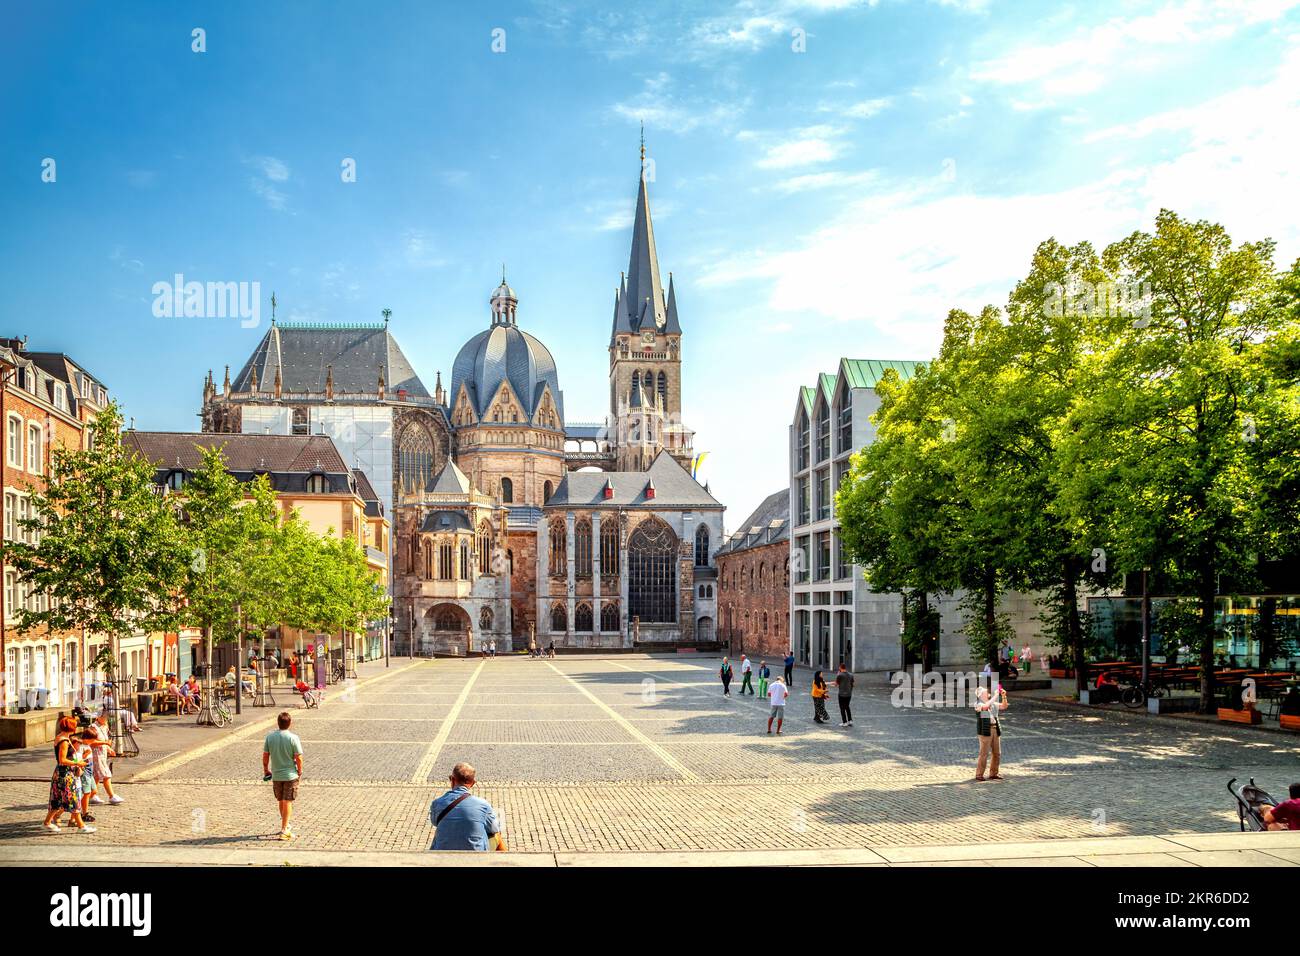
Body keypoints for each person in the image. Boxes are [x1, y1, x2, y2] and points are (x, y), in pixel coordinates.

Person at [430, 762, 505, 851]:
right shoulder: (483, 805)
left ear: (452, 779)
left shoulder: (437, 803)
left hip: (442, 854)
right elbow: (494, 828)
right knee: (497, 835)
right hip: (475, 856)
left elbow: (435, 822)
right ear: (473, 783)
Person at [43, 717, 95, 833]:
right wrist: (78, 763)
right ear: (70, 727)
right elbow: (62, 760)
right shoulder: (64, 741)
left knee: (57, 800)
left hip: (61, 773)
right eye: (75, 725)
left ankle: (47, 822)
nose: (76, 727)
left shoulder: (63, 737)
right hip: (66, 773)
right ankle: (81, 827)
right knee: (74, 798)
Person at [262, 711, 304, 840]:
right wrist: (300, 771)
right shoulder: (293, 738)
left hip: (277, 774)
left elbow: (265, 755)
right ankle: (285, 829)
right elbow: (299, 757)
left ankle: (285, 825)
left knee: (281, 800)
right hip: (290, 775)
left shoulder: (270, 737)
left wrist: (266, 770)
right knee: (288, 801)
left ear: (278, 723)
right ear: (290, 723)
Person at [974, 684, 1009, 781]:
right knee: (984, 753)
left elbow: (1004, 706)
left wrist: (1004, 696)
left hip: (995, 729)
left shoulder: (992, 703)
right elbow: (985, 707)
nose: (988, 694)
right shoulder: (978, 704)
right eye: (986, 693)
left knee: (997, 753)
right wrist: (995, 696)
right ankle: (979, 774)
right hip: (985, 731)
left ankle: (994, 773)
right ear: (980, 695)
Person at [88, 713, 123, 805]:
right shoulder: (93, 727)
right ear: (97, 717)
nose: (106, 718)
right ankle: (112, 796)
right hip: (95, 755)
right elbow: (91, 742)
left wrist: (109, 749)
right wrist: (105, 743)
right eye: (103, 716)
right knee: (106, 774)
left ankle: (92, 795)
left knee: (96, 776)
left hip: (102, 754)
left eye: (106, 716)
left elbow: (104, 742)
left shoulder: (104, 726)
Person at [834, 662, 855, 727]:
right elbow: (853, 684)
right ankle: (850, 720)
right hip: (849, 694)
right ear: (845, 667)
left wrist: (837, 675)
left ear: (840, 668)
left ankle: (844, 722)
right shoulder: (851, 675)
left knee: (842, 708)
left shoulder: (839, 675)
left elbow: (836, 684)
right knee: (847, 707)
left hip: (841, 694)